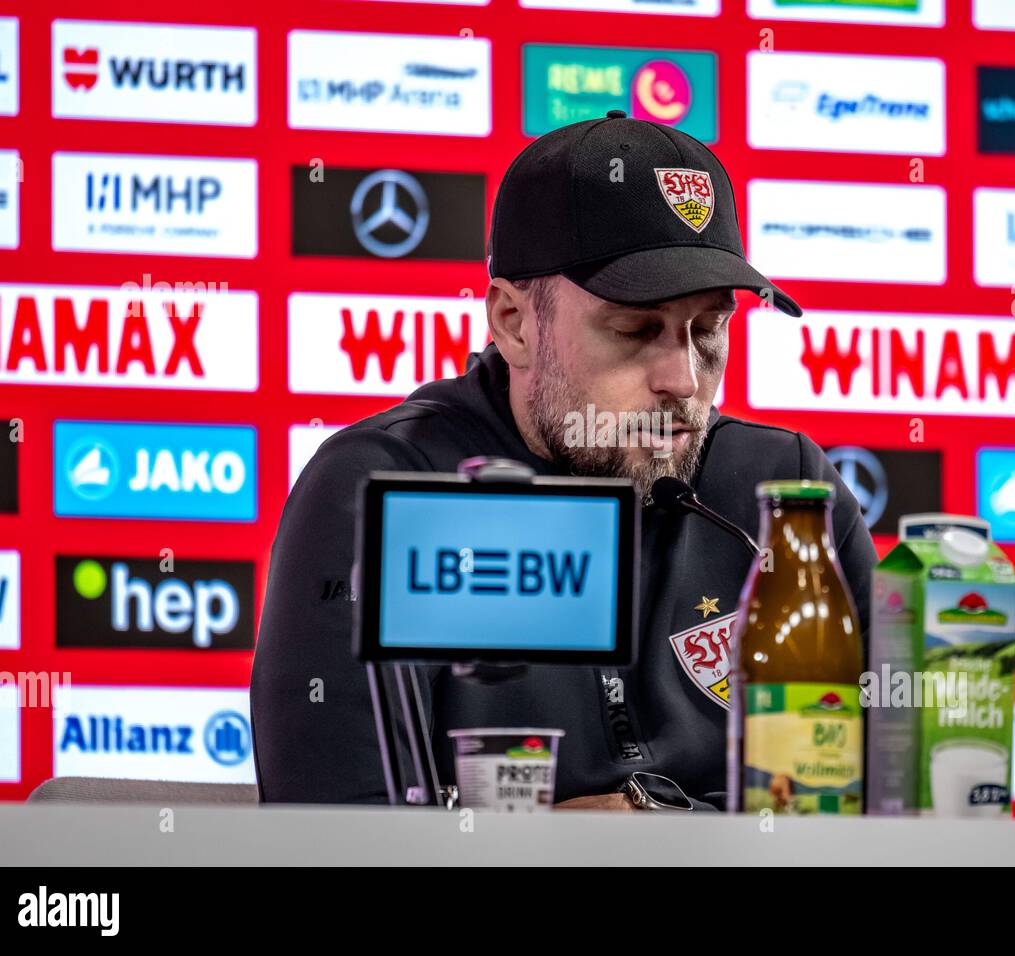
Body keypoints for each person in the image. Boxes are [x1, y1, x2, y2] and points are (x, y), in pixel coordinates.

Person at [250, 110, 876, 810]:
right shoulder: (383, 491)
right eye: (635, 329)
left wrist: (651, 826)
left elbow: (892, 812)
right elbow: (338, 836)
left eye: (708, 331)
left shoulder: (787, 499)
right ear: (514, 324)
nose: (684, 380)